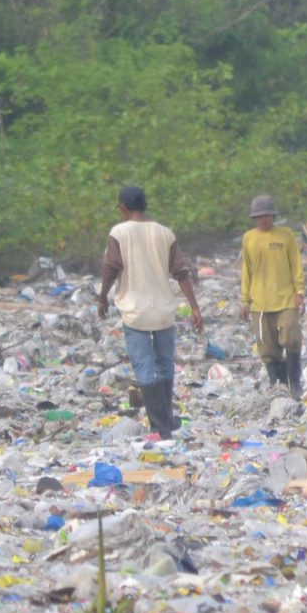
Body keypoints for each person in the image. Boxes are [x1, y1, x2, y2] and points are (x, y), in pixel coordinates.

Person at [96, 184, 203, 435]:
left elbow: (111, 267)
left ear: (123, 207)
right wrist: (195, 307)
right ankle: (166, 421)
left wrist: (103, 297)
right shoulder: (164, 233)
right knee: (165, 364)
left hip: (135, 311)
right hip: (163, 310)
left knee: (144, 367)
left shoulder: (119, 232)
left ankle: (159, 425)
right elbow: (181, 273)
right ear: (145, 205)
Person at [239, 194, 307, 398]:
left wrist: (300, 291)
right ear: (255, 218)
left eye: (267, 216)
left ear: (273, 216)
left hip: (286, 299)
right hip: (259, 303)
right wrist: (245, 300)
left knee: (291, 338)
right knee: (267, 349)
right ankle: (278, 384)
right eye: (259, 217)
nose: (263, 220)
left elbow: (296, 264)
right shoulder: (249, 238)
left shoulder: (286, 235)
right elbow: (246, 270)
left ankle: (295, 384)